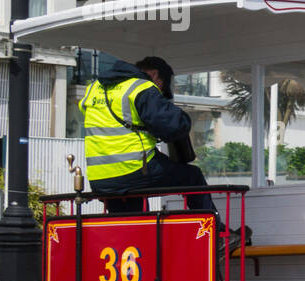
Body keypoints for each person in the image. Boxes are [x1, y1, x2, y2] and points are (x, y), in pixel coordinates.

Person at [79, 55, 216, 213]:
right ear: (154, 75)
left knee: (129, 214)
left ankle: (134, 236)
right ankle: (213, 230)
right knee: (192, 176)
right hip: (133, 168)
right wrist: (181, 118)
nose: (159, 93)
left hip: (100, 178)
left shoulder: (94, 88)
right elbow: (172, 127)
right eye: (161, 88)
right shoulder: (140, 87)